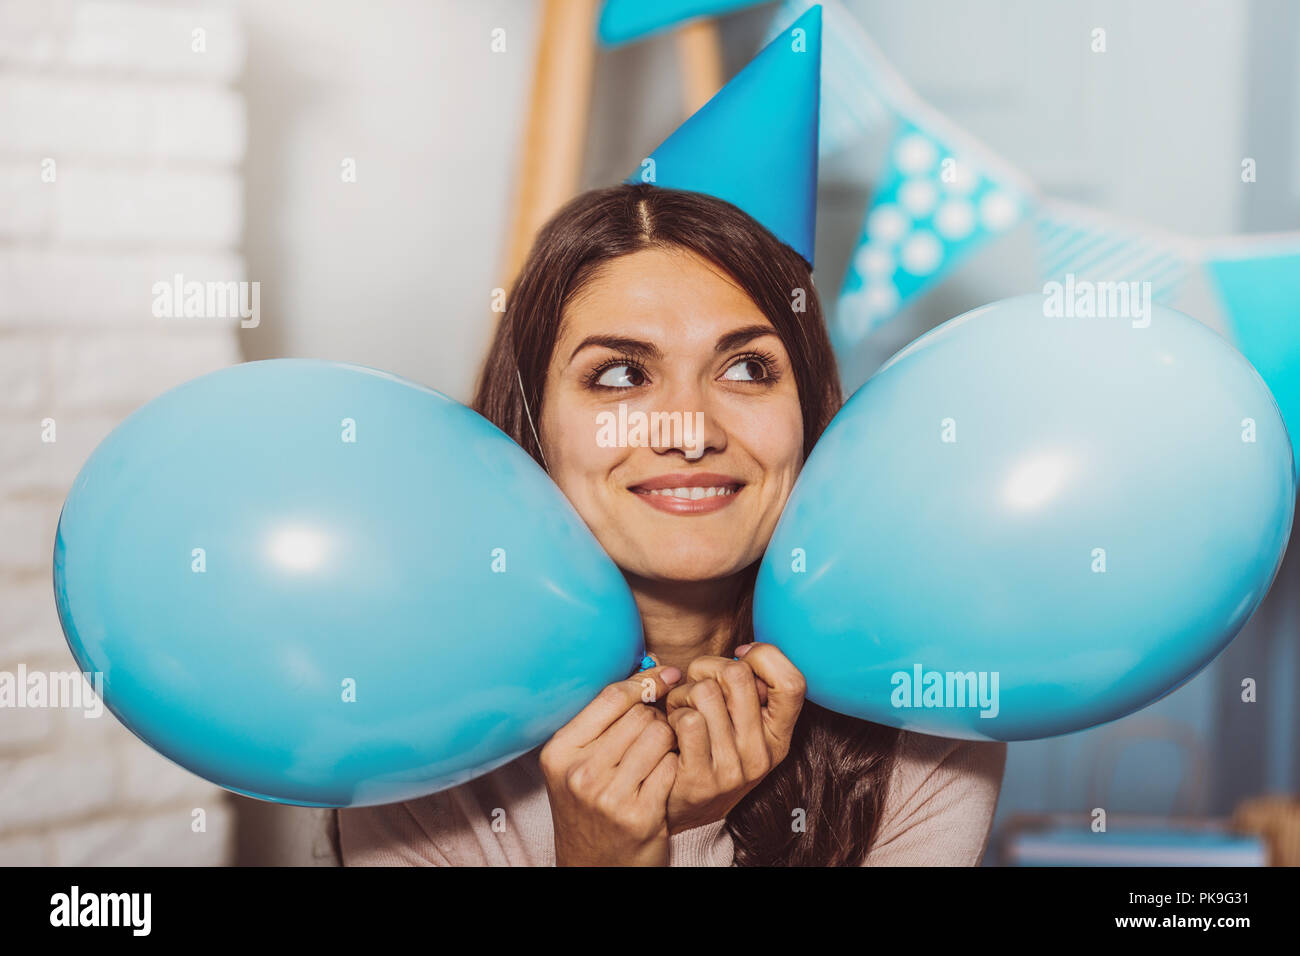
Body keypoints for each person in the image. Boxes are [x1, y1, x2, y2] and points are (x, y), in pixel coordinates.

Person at [337, 5, 1005, 866]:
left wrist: (683, 834)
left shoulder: (921, 717)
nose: (691, 431)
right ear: (533, 423)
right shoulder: (412, 734)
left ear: (811, 411)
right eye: (621, 375)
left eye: (747, 368)